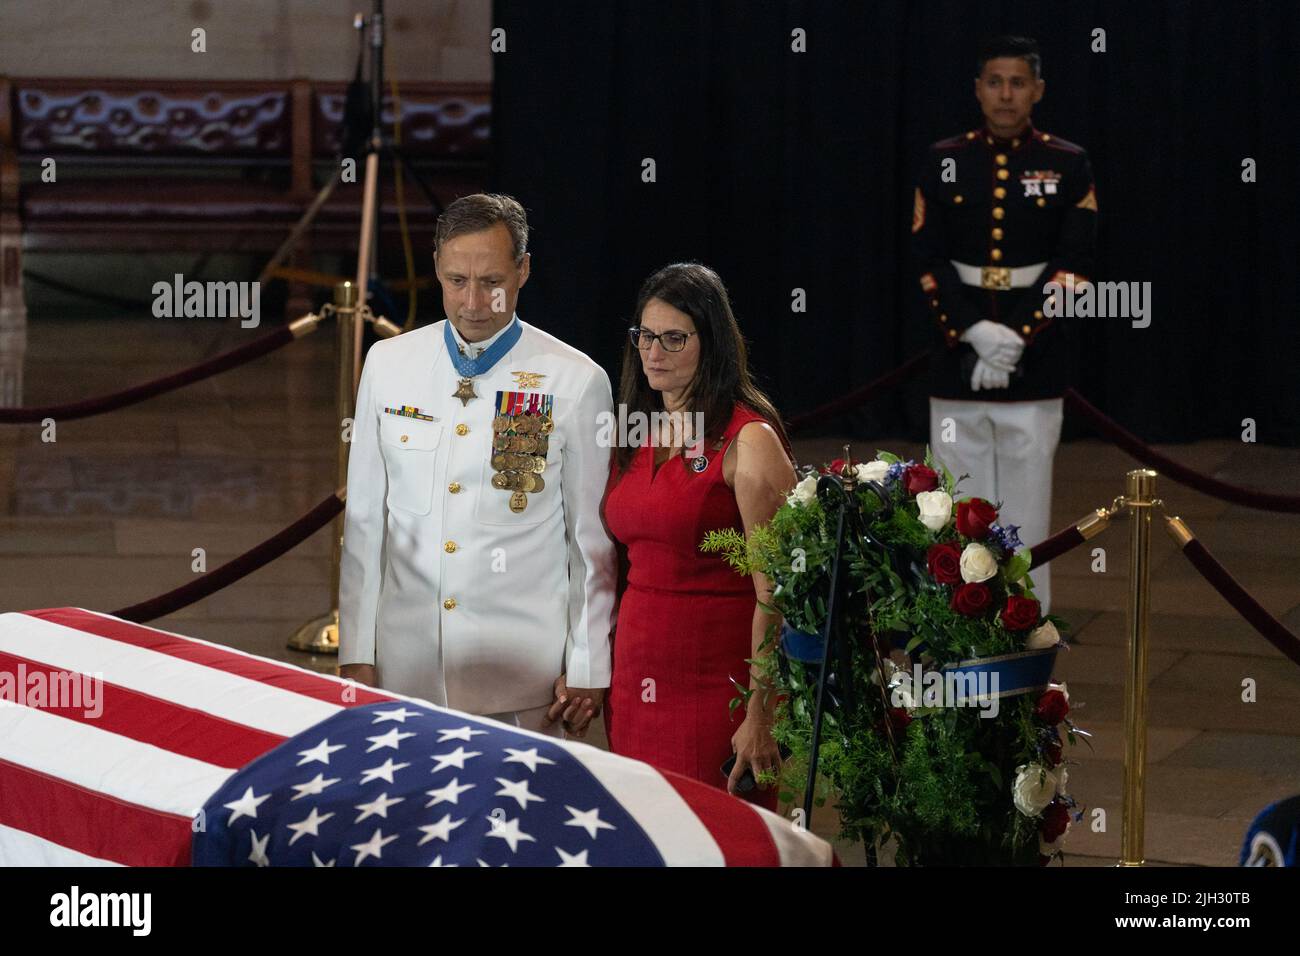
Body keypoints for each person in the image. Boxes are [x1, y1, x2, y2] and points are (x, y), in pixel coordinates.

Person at [337, 193, 617, 739]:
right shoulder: (388, 364)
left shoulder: (575, 380)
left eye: (492, 282)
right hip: (405, 670)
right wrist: (356, 651)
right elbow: (365, 525)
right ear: (436, 268)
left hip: (522, 682)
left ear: (523, 270)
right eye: (456, 280)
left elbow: (590, 544)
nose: (473, 302)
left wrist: (587, 664)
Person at [912, 35, 1098, 612]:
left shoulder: (1068, 162)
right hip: (956, 355)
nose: (1006, 94)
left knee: (1026, 516)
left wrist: (1015, 338)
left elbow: (1076, 265)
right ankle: (957, 631)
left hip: (1035, 359)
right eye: (995, 82)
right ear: (978, 89)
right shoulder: (944, 159)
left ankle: (1025, 627)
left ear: (1037, 90)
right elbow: (927, 257)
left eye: (1018, 82)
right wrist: (973, 332)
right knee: (953, 512)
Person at [602, 262, 797, 807]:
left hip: (718, 690)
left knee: (715, 836)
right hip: (634, 680)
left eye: (674, 338)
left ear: (711, 344)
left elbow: (780, 594)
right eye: (645, 336)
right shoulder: (634, 431)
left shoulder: (750, 441)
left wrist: (761, 713)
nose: (653, 352)